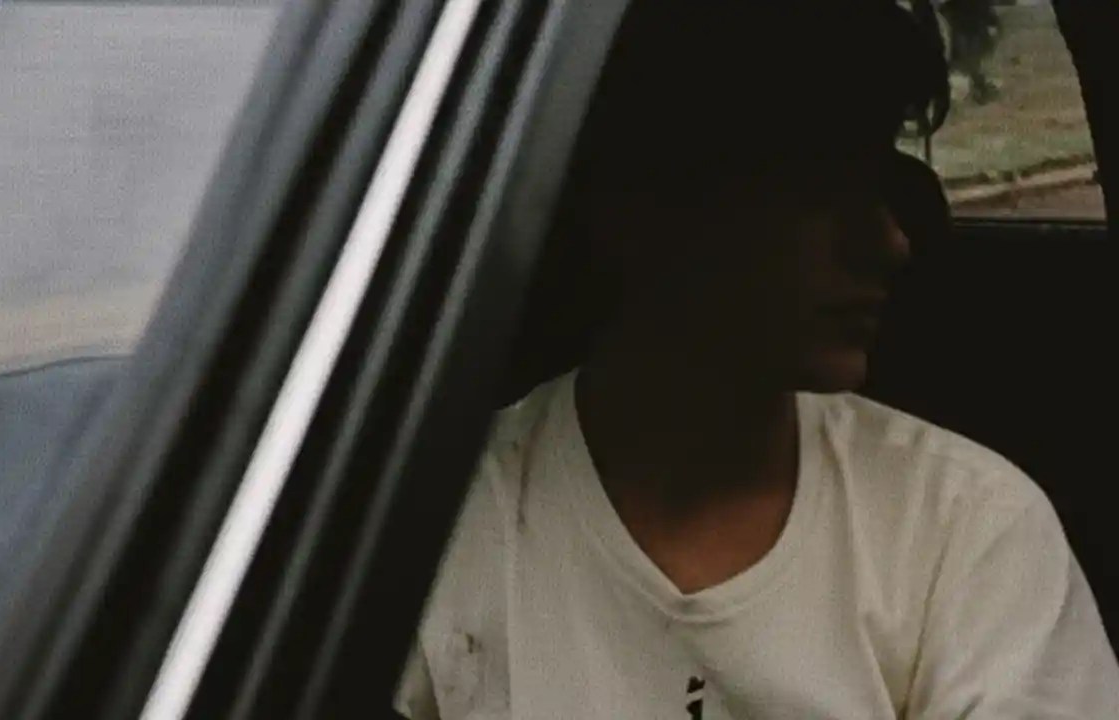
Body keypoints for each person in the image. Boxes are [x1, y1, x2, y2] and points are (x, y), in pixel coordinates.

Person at [396, 1, 1119, 718]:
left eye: (880, 183)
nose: (891, 242)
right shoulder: (444, 526)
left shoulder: (967, 531)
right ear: (638, 208)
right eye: (817, 189)